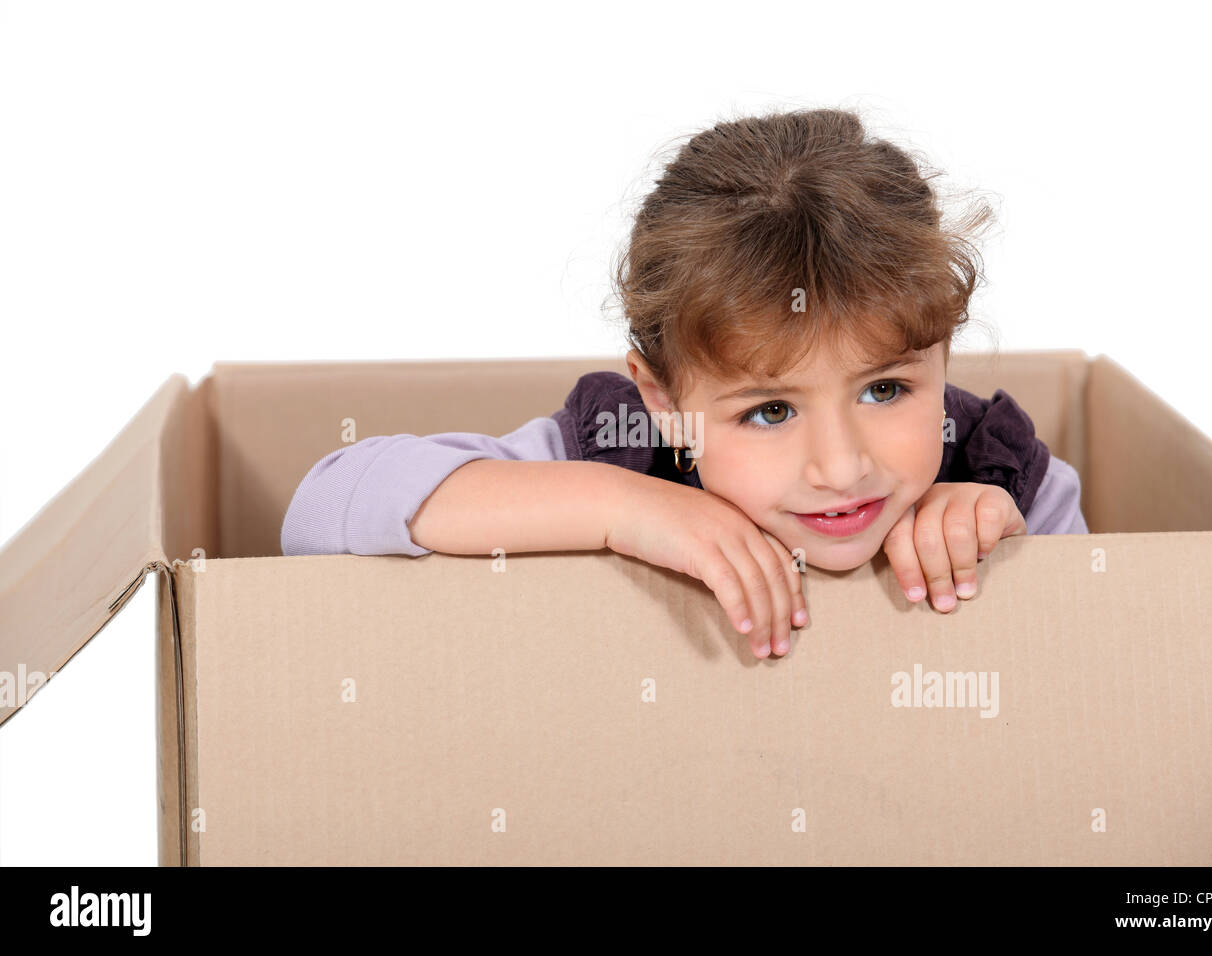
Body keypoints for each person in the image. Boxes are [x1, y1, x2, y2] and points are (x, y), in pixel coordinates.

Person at [281, 107, 1087, 660]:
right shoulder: (612, 453)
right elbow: (319, 512)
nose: (842, 469)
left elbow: (1097, 670)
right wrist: (619, 508)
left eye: (885, 391)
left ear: (942, 350)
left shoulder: (1010, 476)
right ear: (663, 402)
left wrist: (1000, 542)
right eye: (770, 410)